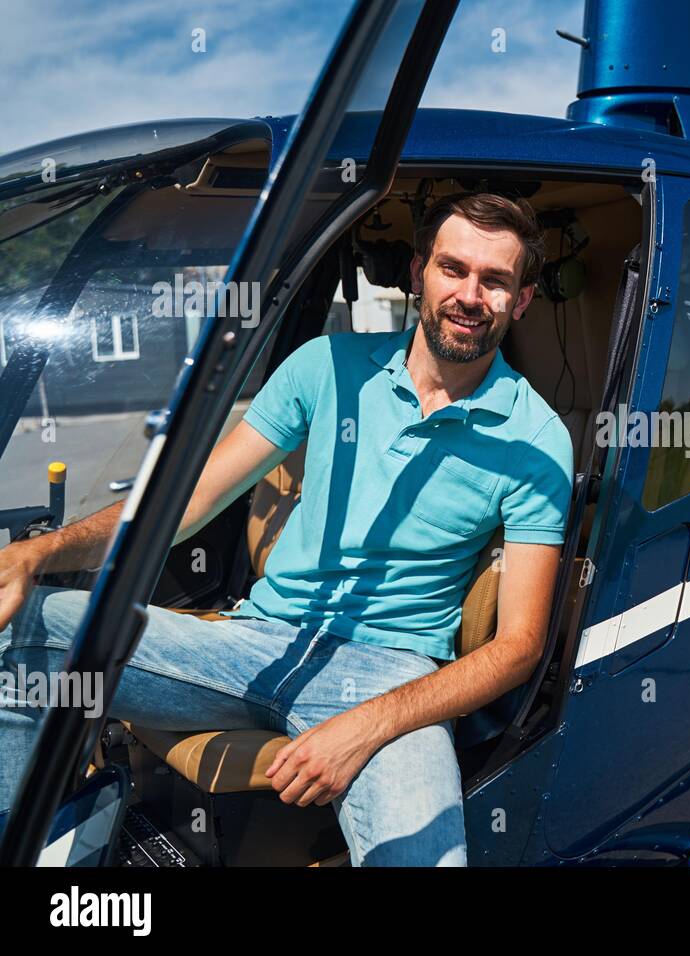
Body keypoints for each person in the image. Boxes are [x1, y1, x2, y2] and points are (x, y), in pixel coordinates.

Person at [0, 190, 574, 866]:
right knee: (23, 627)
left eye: (495, 280)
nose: (470, 294)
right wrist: (39, 552)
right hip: (257, 644)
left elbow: (518, 648)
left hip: (392, 677)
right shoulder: (327, 367)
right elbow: (180, 504)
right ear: (421, 271)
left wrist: (363, 727)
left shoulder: (537, 439)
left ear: (523, 299)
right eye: (453, 268)